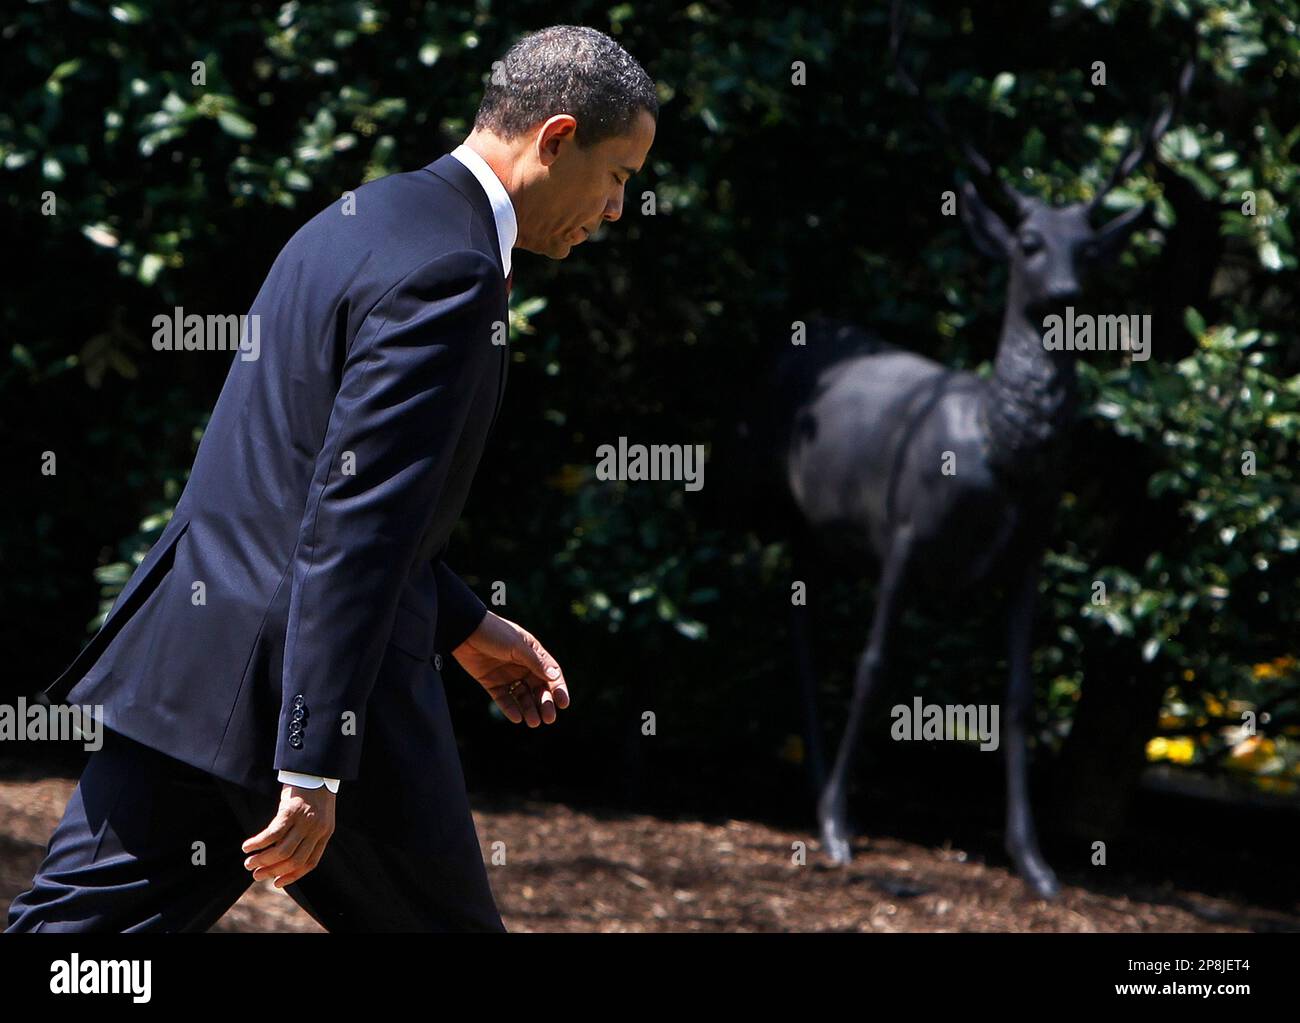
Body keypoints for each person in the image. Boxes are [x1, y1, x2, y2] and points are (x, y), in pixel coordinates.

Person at [6, 24, 657, 933]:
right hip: (315, 688)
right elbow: (355, 522)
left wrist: (465, 624)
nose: (621, 207)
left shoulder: (365, 215)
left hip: (194, 658)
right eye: (620, 175)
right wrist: (312, 759)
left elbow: (294, 479)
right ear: (555, 139)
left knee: (74, 942)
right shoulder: (458, 272)